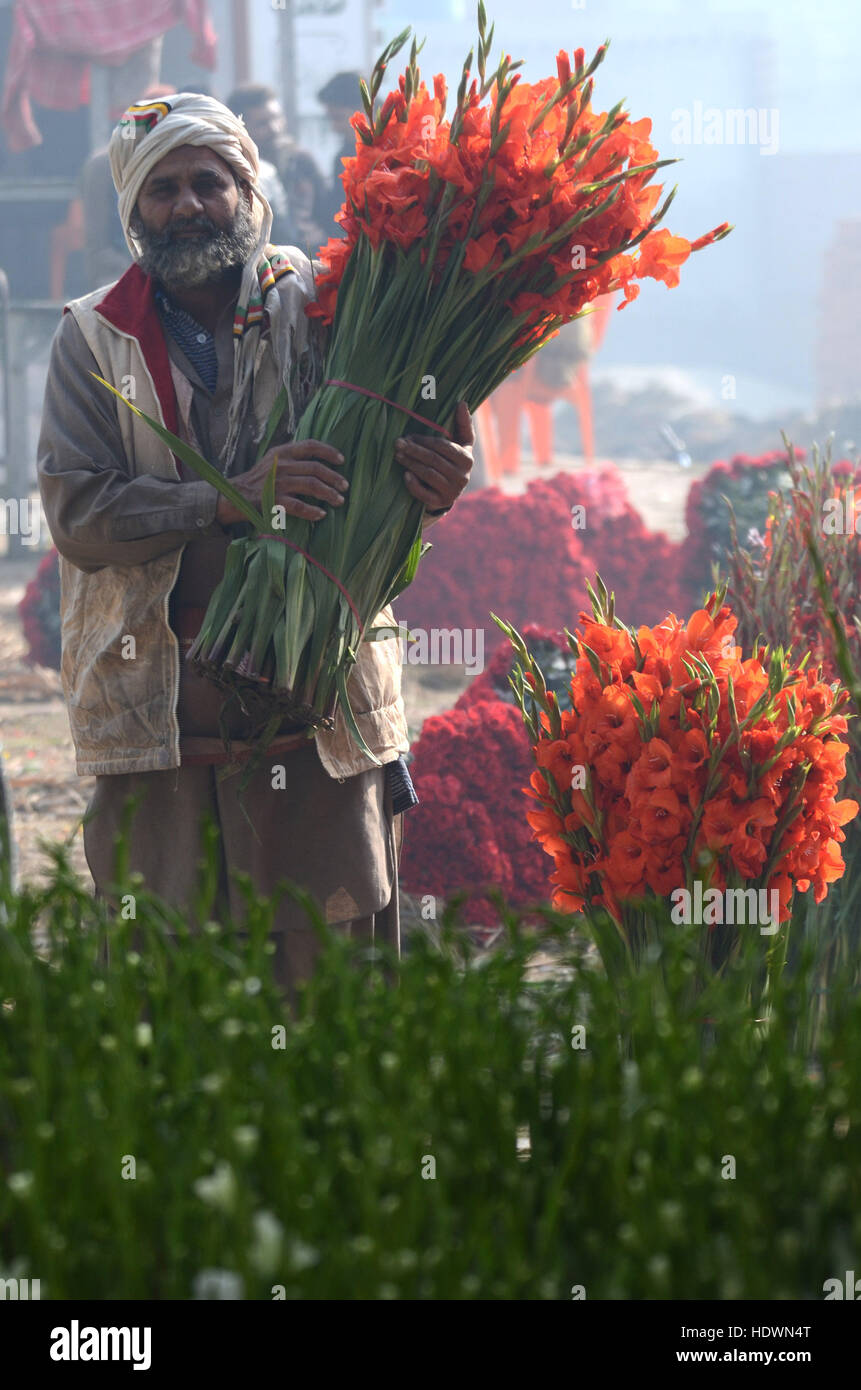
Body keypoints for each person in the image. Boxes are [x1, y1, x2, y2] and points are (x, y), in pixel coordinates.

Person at [36, 92, 474, 1009]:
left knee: (332, 981)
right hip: (159, 710)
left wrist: (443, 470)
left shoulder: (330, 307)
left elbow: (427, 432)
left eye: (209, 182)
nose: (187, 205)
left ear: (249, 191)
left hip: (317, 704)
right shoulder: (90, 340)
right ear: (132, 209)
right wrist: (233, 500)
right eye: (162, 189)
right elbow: (78, 514)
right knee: (170, 991)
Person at [225, 83, 326, 250]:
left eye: (277, 118)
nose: (275, 128)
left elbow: (327, 213)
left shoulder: (302, 161)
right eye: (262, 123)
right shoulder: (235, 171)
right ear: (241, 129)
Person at [315, 71, 363, 234]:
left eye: (338, 118)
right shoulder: (343, 158)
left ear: (363, 109)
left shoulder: (396, 148)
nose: (335, 128)